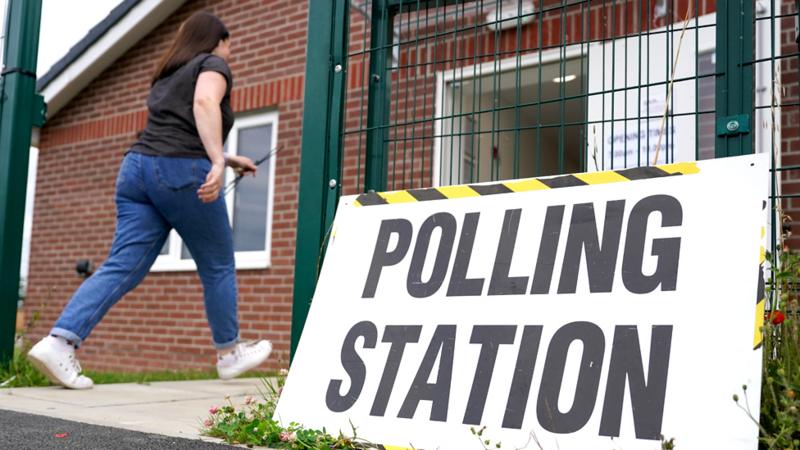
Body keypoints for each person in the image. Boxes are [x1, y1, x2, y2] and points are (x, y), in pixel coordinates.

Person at [27, 11, 271, 389]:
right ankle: (228, 352)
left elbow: (175, 126)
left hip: (137, 170)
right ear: (216, 41)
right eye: (229, 43)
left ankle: (59, 342)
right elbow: (205, 104)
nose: (230, 51)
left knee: (122, 264)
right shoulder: (213, 64)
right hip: (180, 170)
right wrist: (218, 159)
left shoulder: (167, 74)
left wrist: (229, 158)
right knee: (218, 262)